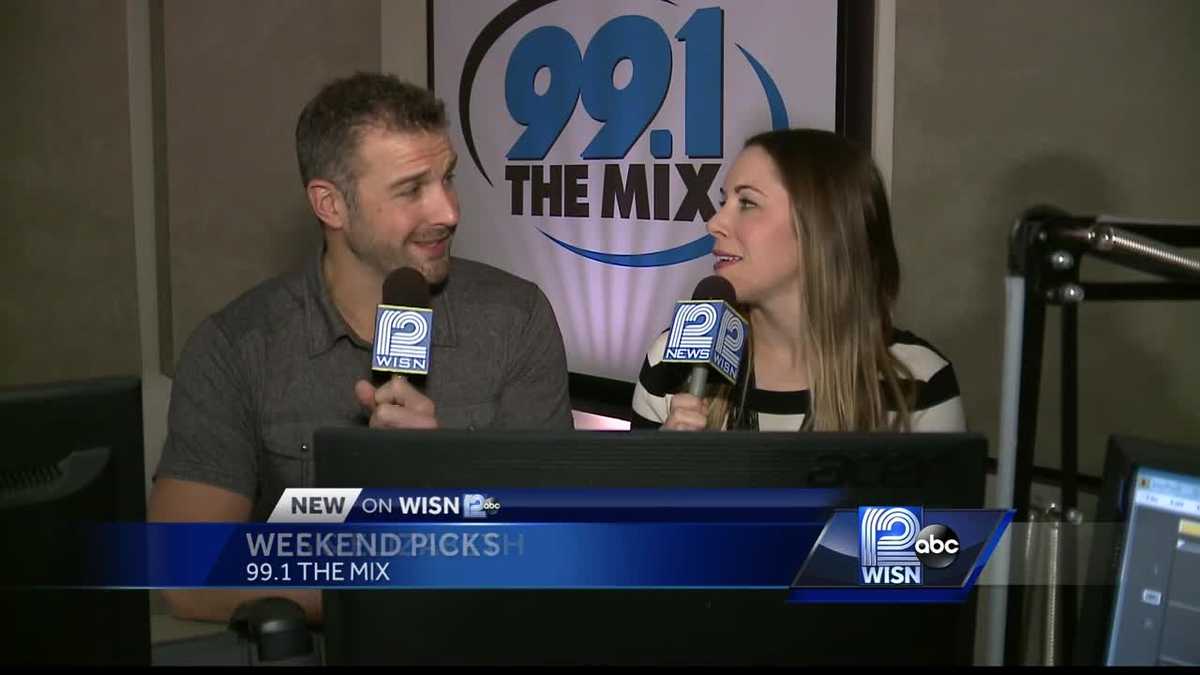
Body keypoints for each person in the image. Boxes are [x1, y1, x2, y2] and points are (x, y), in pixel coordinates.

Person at [149, 72, 574, 623]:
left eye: (448, 179)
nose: (448, 211)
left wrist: (439, 476)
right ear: (331, 205)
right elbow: (186, 574)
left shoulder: (516, 318)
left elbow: (557, 544)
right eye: (411, 189)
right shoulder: (237, 346)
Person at [631, 129, 965, 432]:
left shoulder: (916, 383)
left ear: (821, 229)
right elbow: (627, 500)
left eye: (746, 203)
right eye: (723, 201)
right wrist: (667, 474)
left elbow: (919, 504)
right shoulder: (672, 363)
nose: (715, 223)